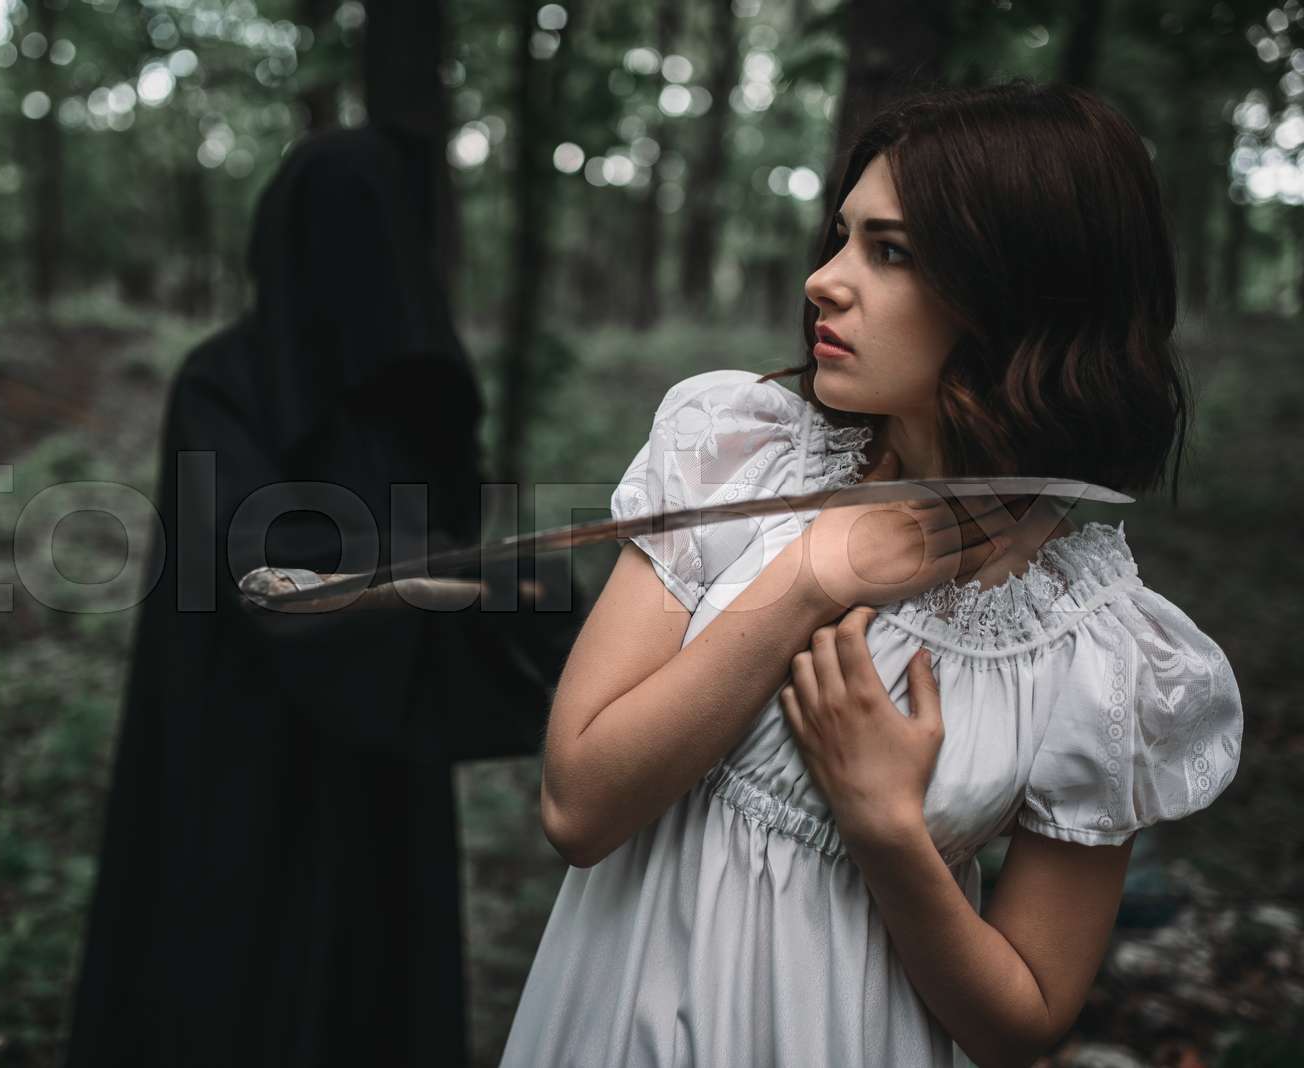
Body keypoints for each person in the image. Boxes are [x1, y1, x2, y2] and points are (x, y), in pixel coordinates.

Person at [500, 80, 1244, 1067]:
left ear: (1022, 292)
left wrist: (889, 831)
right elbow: (578, 806)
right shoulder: (740, 452)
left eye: (890, 252)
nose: (825, 279)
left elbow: (1021, 1019)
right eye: (842, 236)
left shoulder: (1103, 648)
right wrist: (806, 581)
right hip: (607, 1020)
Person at [62, 126, 584, 1068]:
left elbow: (474, 565)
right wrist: (452, 572)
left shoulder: (418, 395)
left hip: (376, 756)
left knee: (363, 972)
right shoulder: (226, 381)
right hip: (241, 740)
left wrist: (521, 579)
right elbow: (260, 557)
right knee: (234, 975)